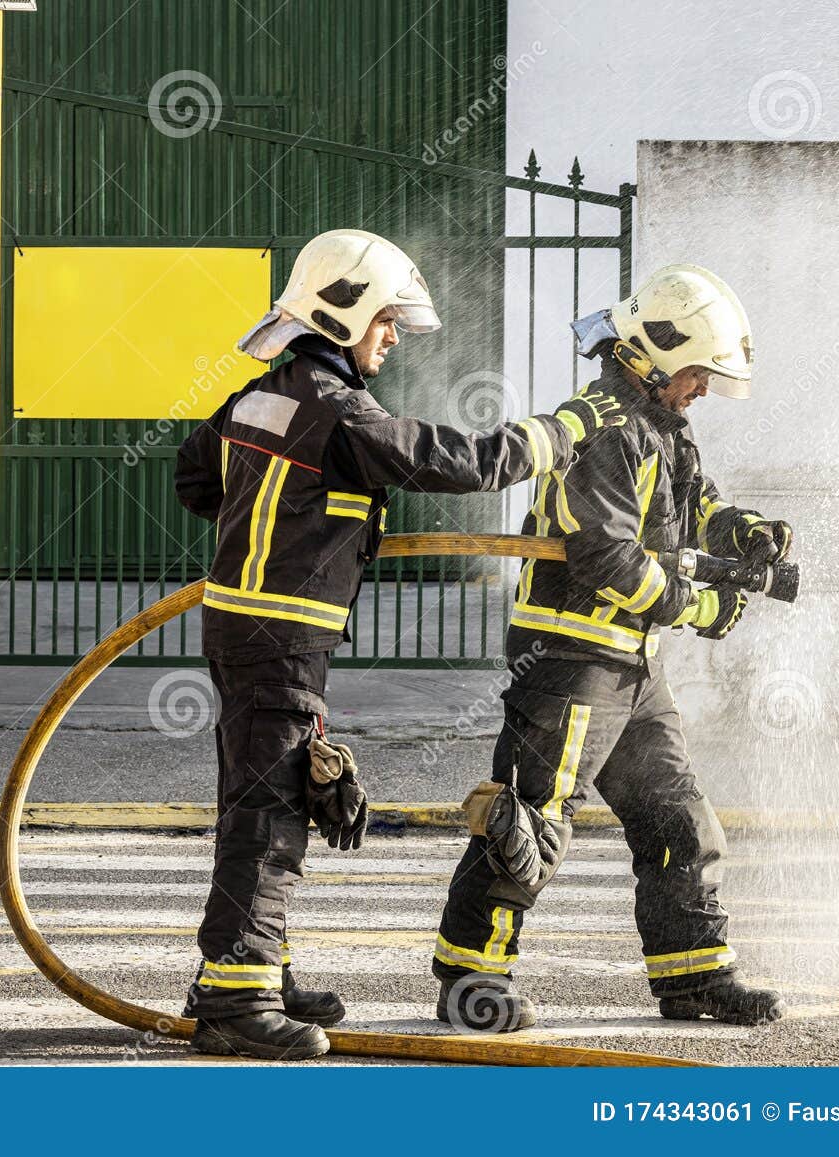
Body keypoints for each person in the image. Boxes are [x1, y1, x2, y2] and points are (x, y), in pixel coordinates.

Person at [173, 228, 622, 1060]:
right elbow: (459, 461)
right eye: (385, 322)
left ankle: (250, 970)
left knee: (261, 798)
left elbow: (195, 478)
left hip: (244, 627)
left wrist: (279, 527)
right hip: (282, 638)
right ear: (341, 314)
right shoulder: (342, 413)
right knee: (270, 816)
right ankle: (237, 998)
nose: (391, 339)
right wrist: (559, 432)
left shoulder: (256, 397)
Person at [431, 264, 792, 1031]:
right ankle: (470, 980)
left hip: (629, 664)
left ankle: (693, 975)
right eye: (698, 373)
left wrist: (744, 532)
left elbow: (695, 507)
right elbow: (607, 557)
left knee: (677, 819)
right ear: (661, 358)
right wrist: (700, 604)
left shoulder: (659, 426)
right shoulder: (604, 427)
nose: (702, 388)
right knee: (530, 820)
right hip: (569, 662)